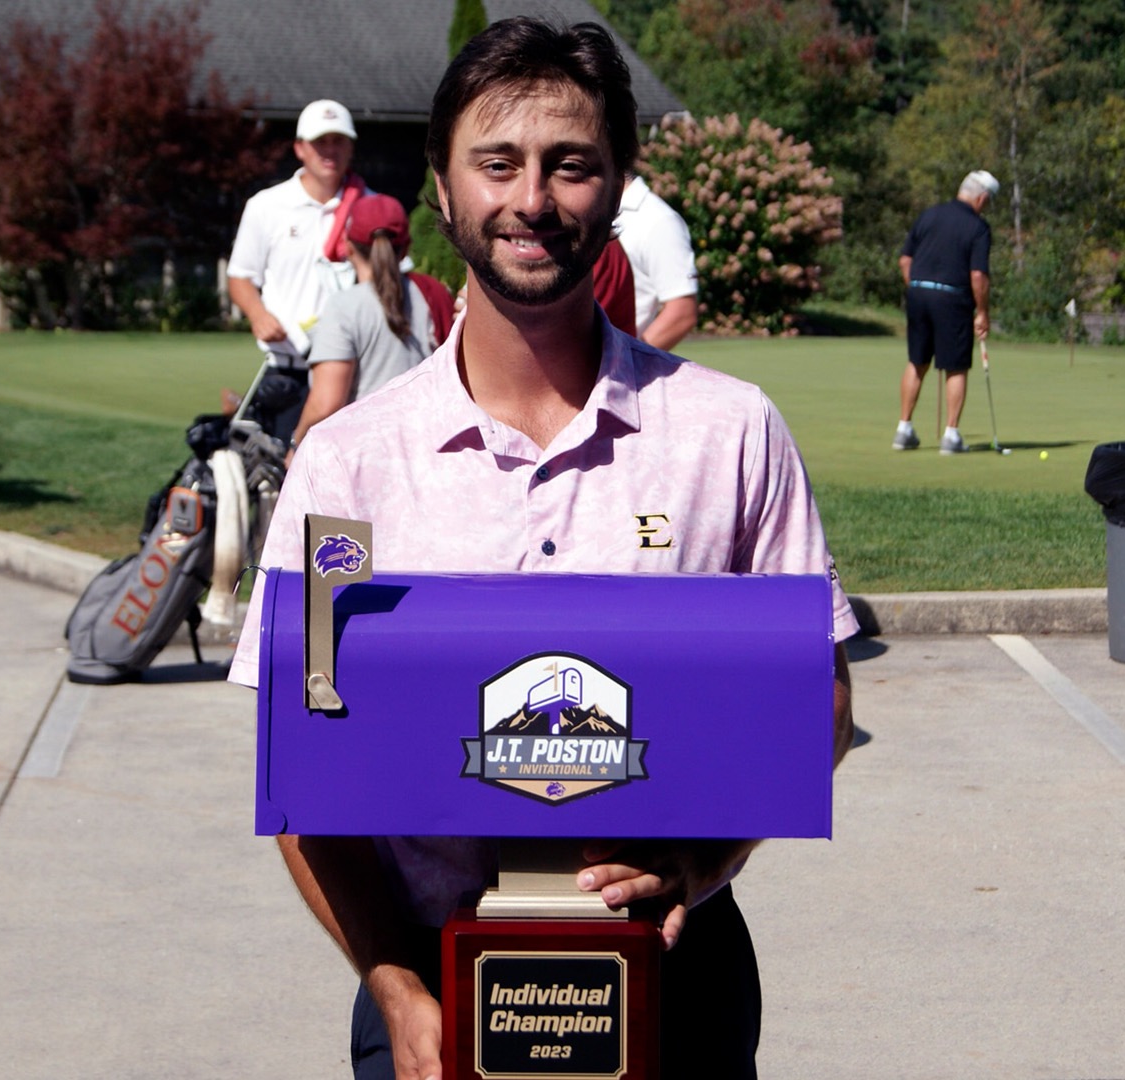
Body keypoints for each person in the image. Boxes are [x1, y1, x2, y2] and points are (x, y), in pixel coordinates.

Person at [228, 18, 856, 1080]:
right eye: (497, 163)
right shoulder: (348, 471)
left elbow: (820, 704)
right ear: (442, 185)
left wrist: (698, 863)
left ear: (618, 185)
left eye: (571, 166)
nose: (532, 199)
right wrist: (391, 977)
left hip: (678, 975)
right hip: (424, 969)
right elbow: (307, 760)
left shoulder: (729, 432)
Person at [225, 99, 370, 438]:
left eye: (339, 141)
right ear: (300, 148)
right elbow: (240, 276)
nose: (330, 150)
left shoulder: (369, 206)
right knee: (281, 479)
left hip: (351, 373)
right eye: (321, 142)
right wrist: (257, 314)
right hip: (286, 369)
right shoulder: (266, 206)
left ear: (351, 147)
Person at [290, 194, 437, 453]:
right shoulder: (431, 294)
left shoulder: (343, 306)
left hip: (363, 454)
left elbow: (326, 403)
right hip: (426, 446)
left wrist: (296, 444)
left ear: (347, 245)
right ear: (406, 247)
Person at [894, 169, 997, 454]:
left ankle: (904, 430)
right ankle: (951, 435)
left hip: (918, 293)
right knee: (955, 366)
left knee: (917, 360)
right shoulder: (978, 227)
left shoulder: (929, 215)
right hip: (952, 299)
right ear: (982, 198)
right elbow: (978, 275)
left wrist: (917, 287)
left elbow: (905, 260)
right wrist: (983, 312)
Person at [613, 173, 699, 349]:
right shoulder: (595, 212)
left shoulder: (658, 220)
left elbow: (681, 312)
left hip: (616, 368)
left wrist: (628, 365)